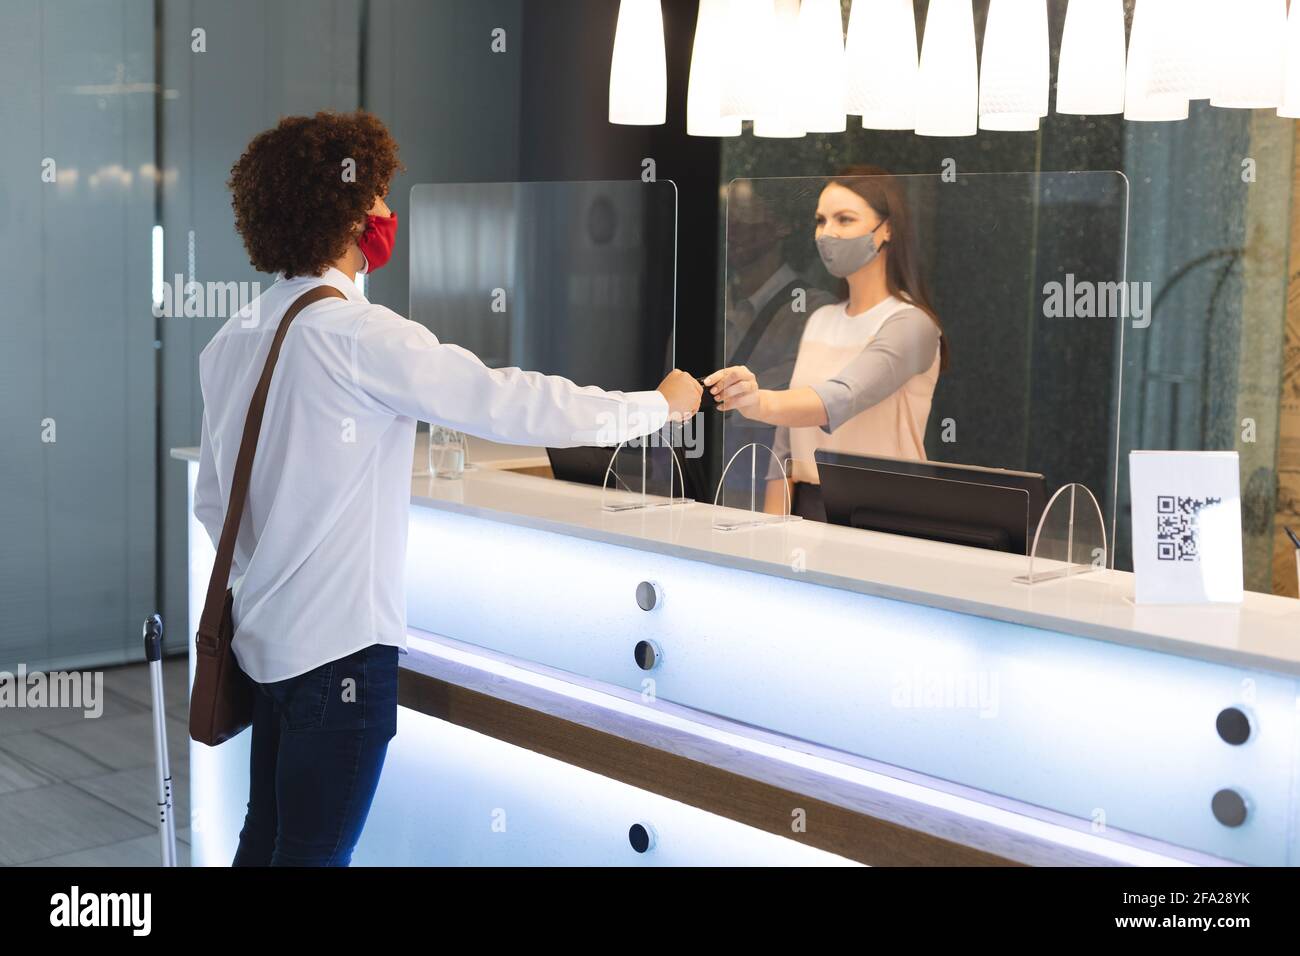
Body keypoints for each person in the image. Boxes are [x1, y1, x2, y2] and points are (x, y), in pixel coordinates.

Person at [194, 111, 701, 866]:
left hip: (263, 652)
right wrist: (658, 406)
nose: (384, 213)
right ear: (348, 212)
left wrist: (267, 583)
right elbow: (513, 400)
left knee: (263, 843)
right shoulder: (362, 337)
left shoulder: (232, 338)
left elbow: (212, 500)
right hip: (339, 661)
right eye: (377, 197)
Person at [704, 166, 948, 522]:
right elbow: (785, 448)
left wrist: (758, 401)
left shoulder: (911, 325)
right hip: (809, 508)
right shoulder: (820, 319)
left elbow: (840, 398)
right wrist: (774, 533)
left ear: (888, 229)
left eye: (845, 220)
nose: (827, 233)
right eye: (821, 221)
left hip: (886, 512)